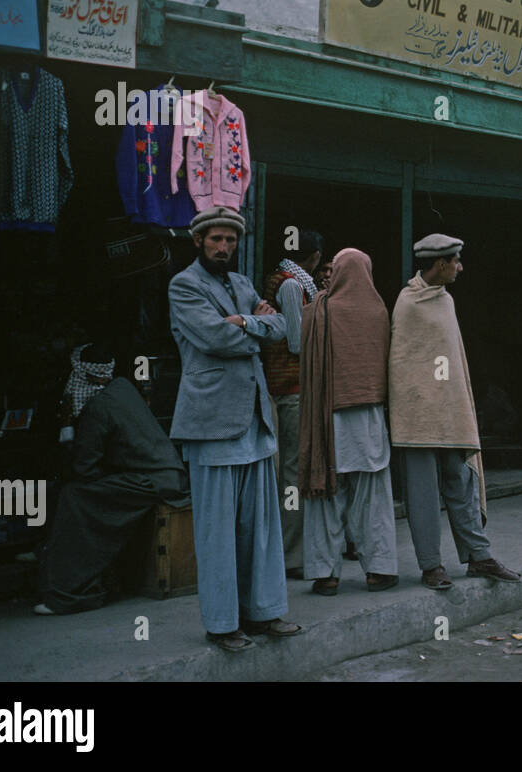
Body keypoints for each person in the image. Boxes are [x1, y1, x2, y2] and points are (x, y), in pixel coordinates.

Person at [168, 206, 300, 651]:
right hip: (210, 422)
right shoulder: (184, 285)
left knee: (259, 528)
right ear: (199, 242)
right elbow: (212, 339)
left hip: (253, 421)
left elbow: (280, 327)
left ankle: (262, 613)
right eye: (215, 240)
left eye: (230, 240)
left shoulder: (242, 285)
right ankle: (223, 624)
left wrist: (246, 321)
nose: (224, 247)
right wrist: (254, 329)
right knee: (217, 531)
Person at [388, 234, 521, 590]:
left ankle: (480, 556)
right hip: (416, 418)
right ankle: (432, 566)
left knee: (461, 482)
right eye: (456, 261)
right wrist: (417, 404)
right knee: (422, 495)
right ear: (441, 262)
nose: (460, 267)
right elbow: (404, 364)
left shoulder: (446, 301)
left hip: (447, 413)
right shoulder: (408, 302)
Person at [35, 346, 190, 615]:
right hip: (165, 475)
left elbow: (84, 467)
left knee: (75, 497)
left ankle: (71, 593)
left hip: (152, 480)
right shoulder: (122, 387)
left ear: (84, 375)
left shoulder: (97, 406)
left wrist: (67, 423)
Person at [298, 248, 399, 595]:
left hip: (328, 417)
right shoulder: (380, 311)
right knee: (373, 498)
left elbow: (300, 350)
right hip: (369, 417)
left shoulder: (318, 312)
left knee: (326, 495)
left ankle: (326, 574)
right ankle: (379, 569)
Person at [261, 228, 324, 579]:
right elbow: (299, 344)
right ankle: (290, 555)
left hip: (284, 388)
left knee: (287, 470)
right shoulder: (291, 286)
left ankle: (289, 550)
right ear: (314, 258)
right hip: (291, 389)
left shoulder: (286, 280)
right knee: (291, 473)